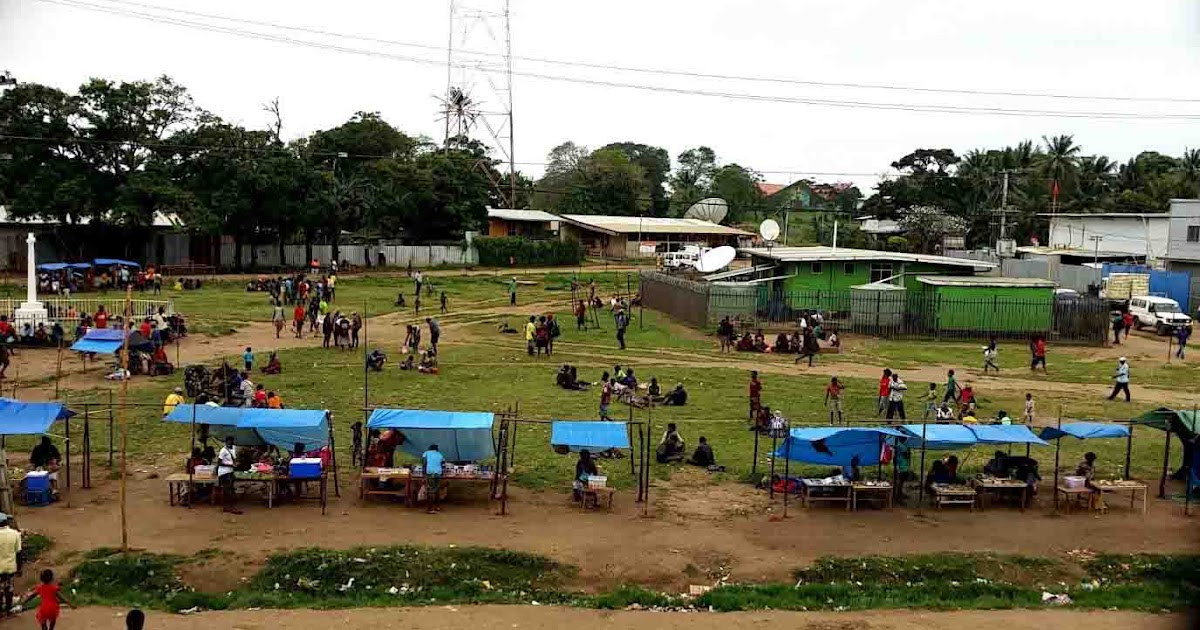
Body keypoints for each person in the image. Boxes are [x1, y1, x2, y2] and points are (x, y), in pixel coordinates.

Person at [0, 514, 22, 612]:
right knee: (9, 588)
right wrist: (19, 568)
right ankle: (9, 609)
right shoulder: (15, 534)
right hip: (10, 567)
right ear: (6, 522)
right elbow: (19, 553)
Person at [217, 436, 241, 514]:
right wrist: (231, 465)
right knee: (228, 490)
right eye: (228, 442)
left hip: (230, 472)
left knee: (229, 489)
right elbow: (219, 463)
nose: (230, 443)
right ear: (226, 442)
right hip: (224, 473)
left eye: (231, 442)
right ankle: (230, 507)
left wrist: (235, 464)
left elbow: (232, 460)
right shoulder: (223, 450)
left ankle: (227, 507)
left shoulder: (232, 449)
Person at [422, 444, 444, 514]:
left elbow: (424, 463)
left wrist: (424, 473)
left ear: (429, 448)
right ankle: (438, 507)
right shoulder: (439, 454)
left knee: (430, 490)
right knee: (437, 490)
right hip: (438, 474)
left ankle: (430, 509)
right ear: (437, 449)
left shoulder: (426, 453)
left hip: (430, 473)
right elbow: (442, 463)